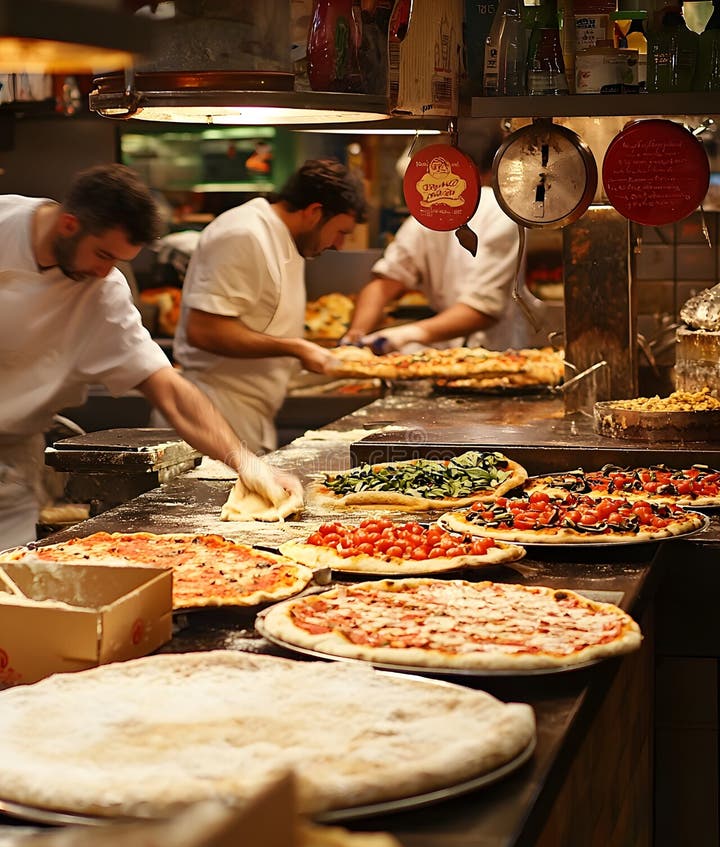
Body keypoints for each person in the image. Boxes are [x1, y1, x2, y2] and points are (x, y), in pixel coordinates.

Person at [0, 163, 301, 551]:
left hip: (11, 457)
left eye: (117, 261)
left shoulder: (102, 291)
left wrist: (244, 461)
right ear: (69, 225)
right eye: (103, 254)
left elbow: (168, 389)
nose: (105, 271)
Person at [170, 158, 367, 455]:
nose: (339, 244)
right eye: (341, 232)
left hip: (248, 415)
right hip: (214, 412)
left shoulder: (289, 240)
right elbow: (203, 330)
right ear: (315, 212)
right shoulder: (245, 233)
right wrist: (297, 349)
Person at [342, 134, 545, 354]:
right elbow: (386, 281)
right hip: (446, 352)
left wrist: (405, 334)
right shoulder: (421, 222)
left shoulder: (499, 212)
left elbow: (484, 308)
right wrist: (355, 336)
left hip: (500, 351)